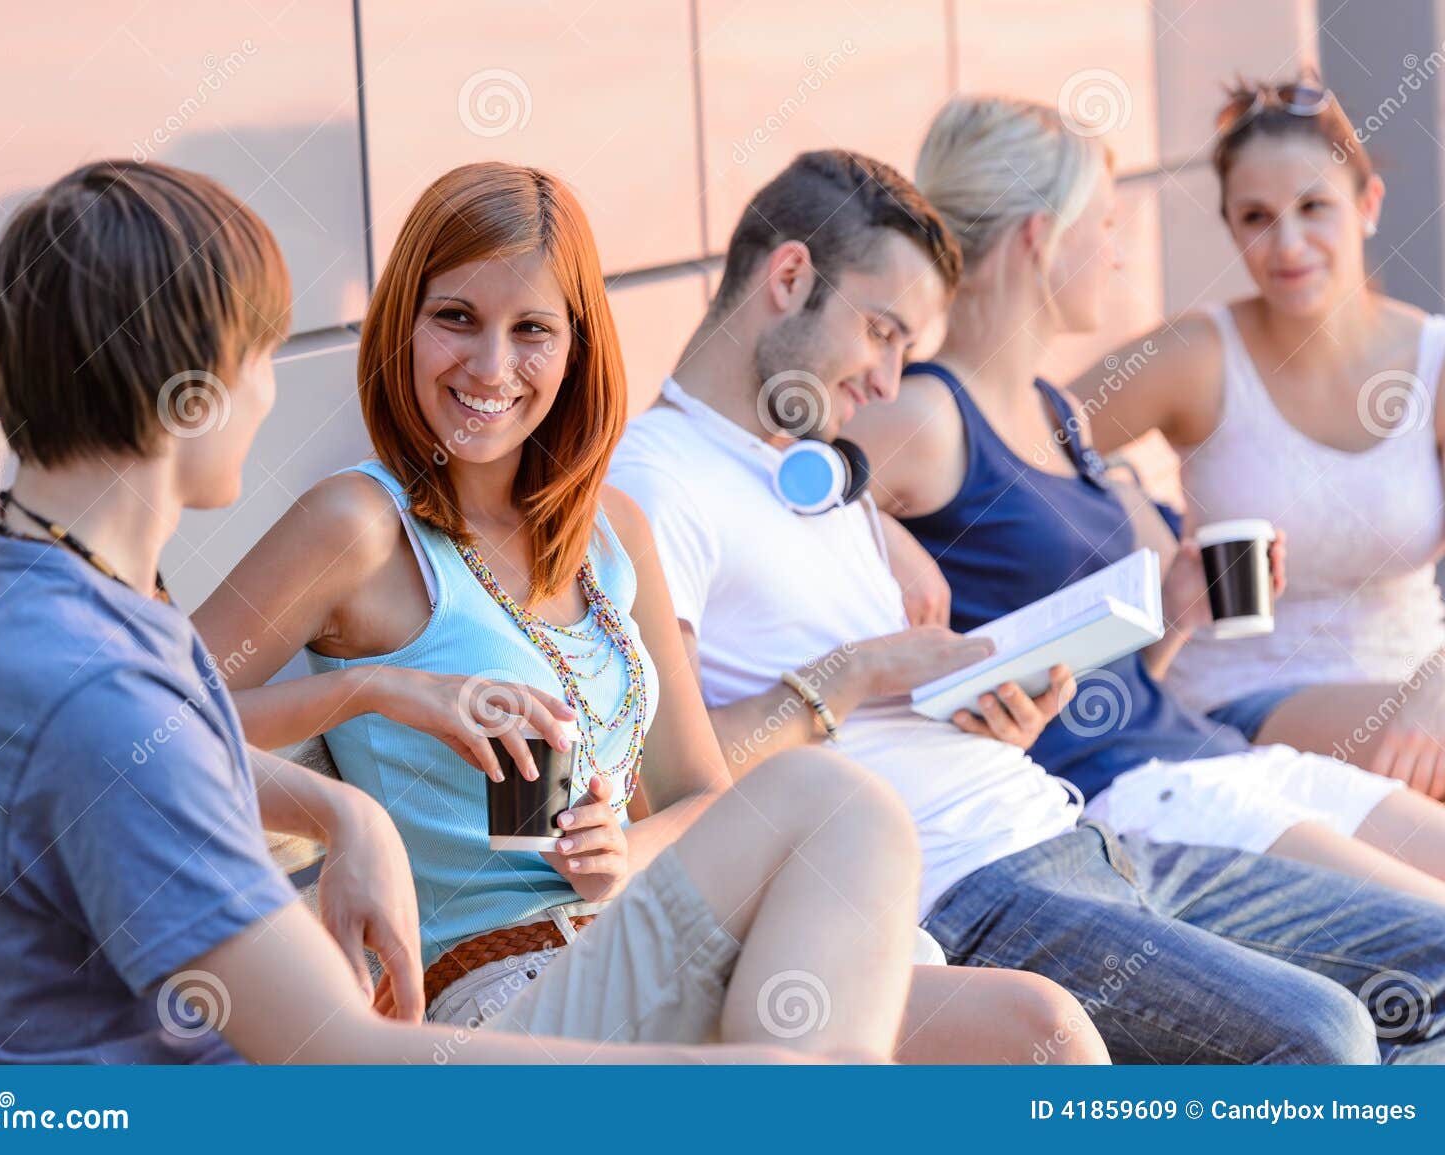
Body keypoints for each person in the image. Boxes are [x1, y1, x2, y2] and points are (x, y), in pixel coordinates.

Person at [0, 159, 842, 1065]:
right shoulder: (87, 679)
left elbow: (176, 742)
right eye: (263, 352)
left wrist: (347, 802)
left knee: (839, 843)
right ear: (192, 387)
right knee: (832, 827)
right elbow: (350, 1063)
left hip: (420, 1019)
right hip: (383, 1052)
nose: (272, 391)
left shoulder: (23, 578)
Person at [192, 159, 1107, 1064]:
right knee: (830, 801)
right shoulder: (357, 524)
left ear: (578, 346)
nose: (491, 366)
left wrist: (623, 850)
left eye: (533, 330)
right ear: (405, 325)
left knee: (1043, 1029)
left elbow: (702, 794)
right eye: (455, 318)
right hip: (498, 998)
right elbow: (153, 729)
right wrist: (375, 694)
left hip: (644, 940)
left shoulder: (612, 533)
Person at [611, 145, 1445, 1063]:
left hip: (1074, 829)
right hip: (971, 886)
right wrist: (857, 671)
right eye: (883, 331)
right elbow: (667, 783)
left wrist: (991, 711)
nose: (889, 382)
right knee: (1323, 1037)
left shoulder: (805, 459)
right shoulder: (655, 484)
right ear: (790, 276)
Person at [852, 93, 1445, 908]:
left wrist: (1174, 602)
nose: (1120, 252)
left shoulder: (1049, 414)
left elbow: (1098, 646)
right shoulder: (931, 415)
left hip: (1202, 749)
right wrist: (876, 527)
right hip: (1151, 776)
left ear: (1366, 204)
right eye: (1104, 225)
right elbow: (786, 478)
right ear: (1041, 237)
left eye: (1315, 206)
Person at [1070, 76, 1445, 802]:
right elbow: (1023, 437)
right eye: (1256, 217)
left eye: (1314, 208)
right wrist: (1127, 509)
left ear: (1367, 206)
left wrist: (1434, 689)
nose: (1289, 245)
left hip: (1422, 691)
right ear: (1232, 228)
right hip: (1242, 694)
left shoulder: (1435, 364)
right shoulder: (1198, 356)